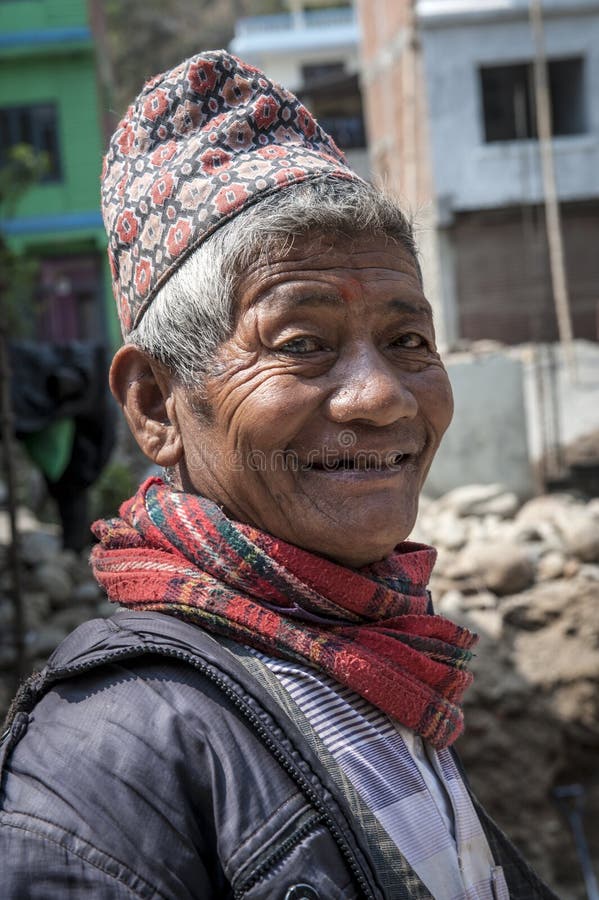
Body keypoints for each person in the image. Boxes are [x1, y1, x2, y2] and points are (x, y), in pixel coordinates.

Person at [0, 51, 557, 899]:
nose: (380, 396)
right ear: (155, 404)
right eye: (301, 344)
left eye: (408, 341)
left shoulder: (382, 661)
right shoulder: (108, 758)